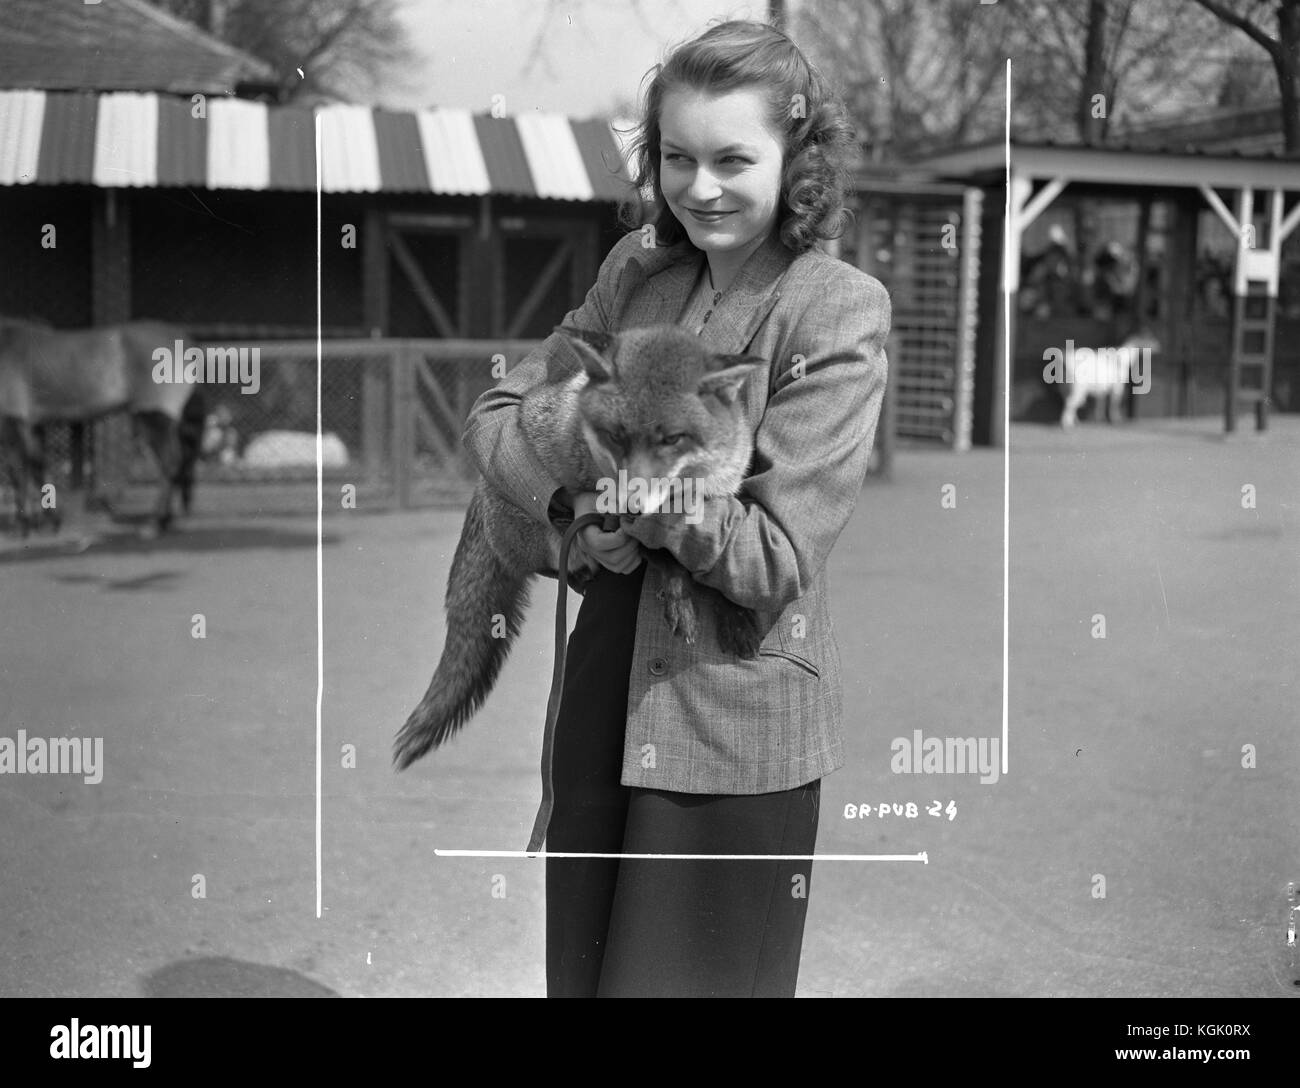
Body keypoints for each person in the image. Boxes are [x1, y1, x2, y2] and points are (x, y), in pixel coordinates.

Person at [461, 19, 890, 997]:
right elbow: (500, 414)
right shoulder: (636, 277)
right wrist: (571, 504)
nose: (700, 188)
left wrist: (635, 494)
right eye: (678, 158)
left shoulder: (833, 308)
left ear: (799, 159)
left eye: (734, 158)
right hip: (607, 688)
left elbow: (774, 555)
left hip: (731, 717)